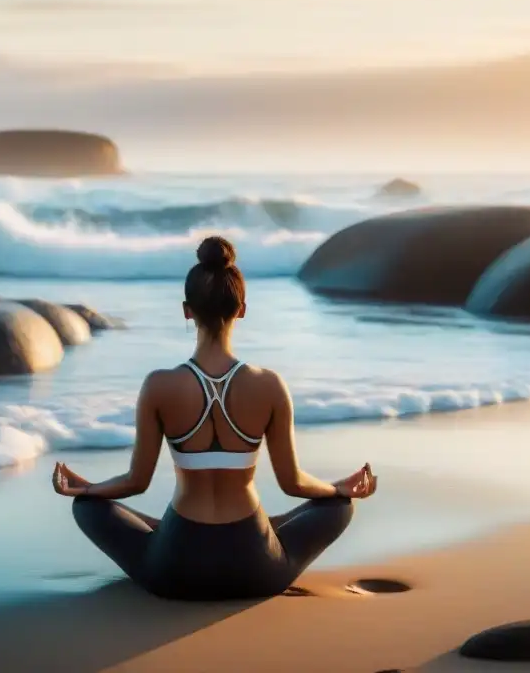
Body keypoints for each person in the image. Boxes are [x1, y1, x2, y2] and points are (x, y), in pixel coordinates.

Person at [53, 235, 377, 601]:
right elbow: (293, 483)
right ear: (241, 309)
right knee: (338, 507)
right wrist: (337, 490)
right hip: (256, 568)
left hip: (175, 569)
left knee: (86, 507)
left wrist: (89, 489)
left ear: (186, 311)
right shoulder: (269, 385)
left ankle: (160, 532)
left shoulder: (159, 385)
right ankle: (277, 524)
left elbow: (136, 481)